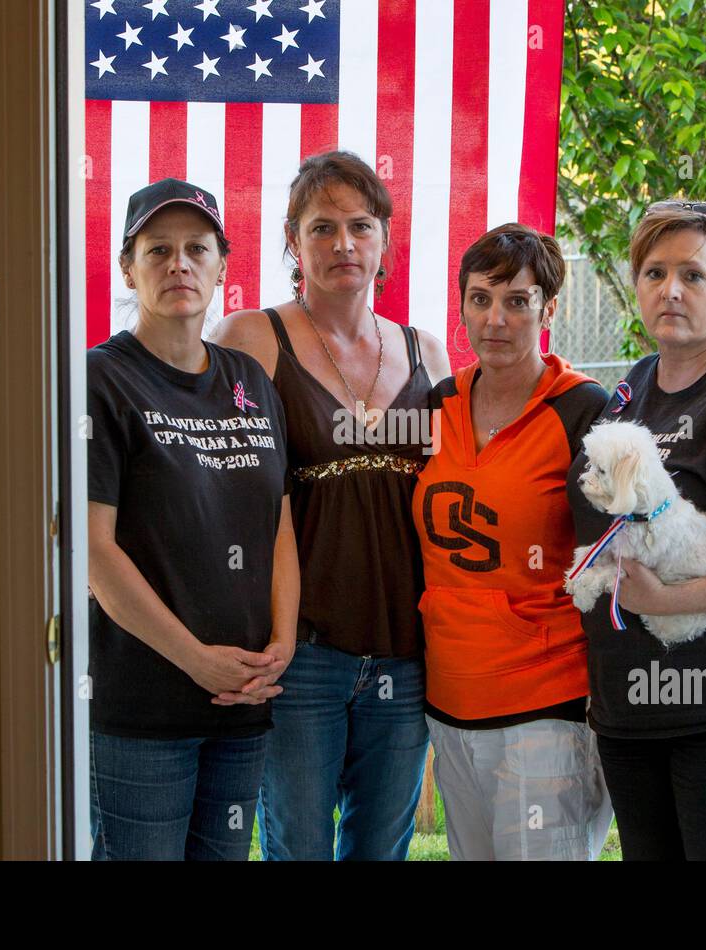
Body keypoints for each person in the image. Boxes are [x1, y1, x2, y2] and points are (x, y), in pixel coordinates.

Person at [211, 150, 451, 860]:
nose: (343, 244)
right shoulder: (253, 338)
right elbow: (215, 482)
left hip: (407, 651)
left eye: (360, 226)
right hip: (301, 650)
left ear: (384, 240)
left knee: (381, 847)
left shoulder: (428, 352)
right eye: (321, 228)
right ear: (291, 240)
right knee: (300, 847)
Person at [87, 177, 299, 861]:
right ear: (129, 267)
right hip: (142, 712)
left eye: (196, 250)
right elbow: (94, 554)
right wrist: (196, 661)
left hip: (244, 700)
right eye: (158, 250)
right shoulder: (101, 380)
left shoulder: (250, 379)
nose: (179, 264)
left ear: (221, 268)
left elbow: (280, 522)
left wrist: (284, 643)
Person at [566, 198, 706, 860]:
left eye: (693, 275)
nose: (670, 291)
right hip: (628, 712)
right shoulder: (636, 385)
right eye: (654, 273)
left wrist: (664, 602)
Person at [411, 223, 613, 860]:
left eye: (517, 301)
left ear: (549, 309)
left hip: (544, 703)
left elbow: (607, 566)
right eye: (480, 298)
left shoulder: (584, 410)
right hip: (449, 696)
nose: (495, 319)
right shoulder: (435, 405)